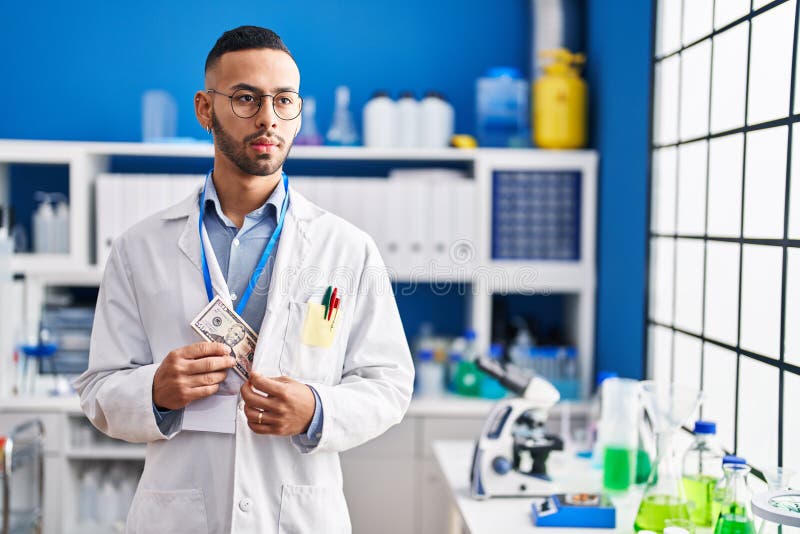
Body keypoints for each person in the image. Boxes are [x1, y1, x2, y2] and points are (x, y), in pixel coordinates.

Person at [75, 25, 414, 534]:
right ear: (204, 109)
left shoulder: (346, 248)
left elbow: (389, 383)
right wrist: (156, 390)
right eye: (245, 99)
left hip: (298, 513)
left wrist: (317, 410)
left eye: (284, 101)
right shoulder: (138, 247)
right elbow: (99, 388)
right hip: (181, 513)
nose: (268, 119)